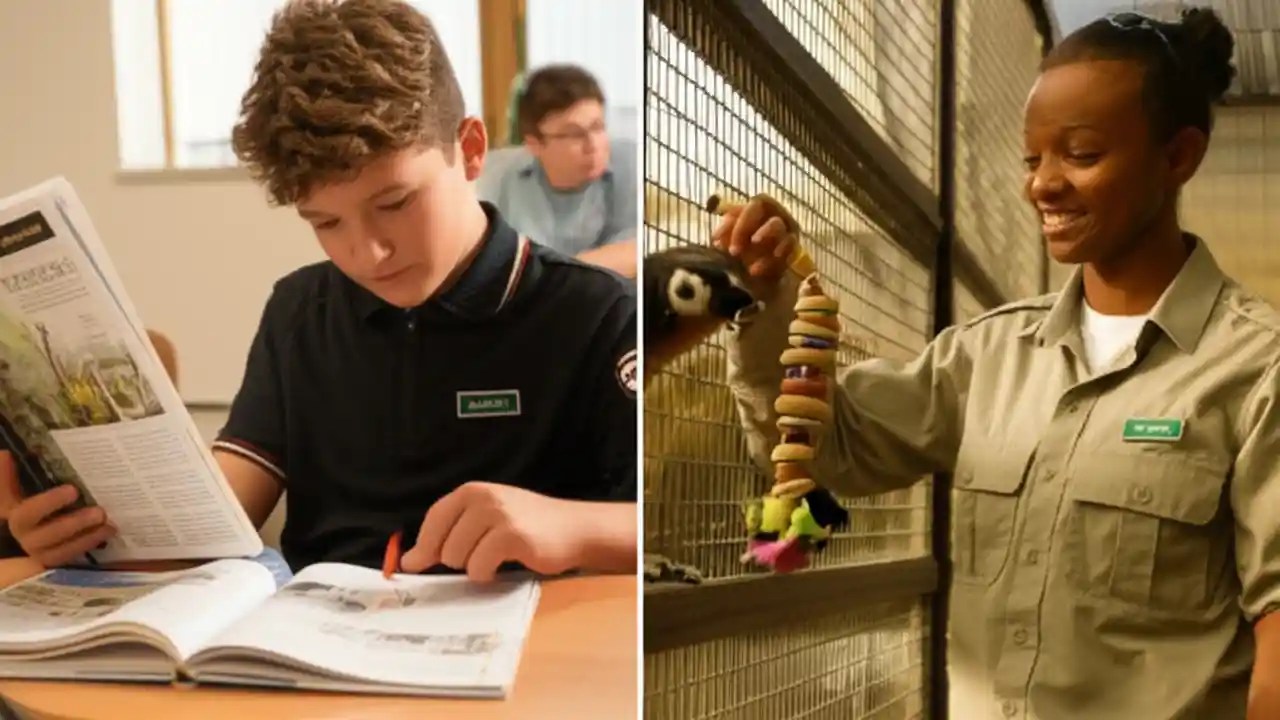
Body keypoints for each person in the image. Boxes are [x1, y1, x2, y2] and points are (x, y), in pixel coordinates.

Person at [714, 9, 1280, 719]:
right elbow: (830, 451)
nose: (1042, 185)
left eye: (1080, 153)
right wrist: (770, 300)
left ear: (1178, 157)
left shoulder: (1256, 370)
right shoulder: (986, 356)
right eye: (1032, 158)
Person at [1, 0, 637, 583]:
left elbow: (667, 526)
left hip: (528, 665)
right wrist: (84, 532)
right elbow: (223, 517)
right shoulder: (300, 311)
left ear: (469, 150)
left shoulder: (594, 313)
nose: (368, 253)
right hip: (320, 658)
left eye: (395, 203)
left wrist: (573, 526)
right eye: (324, 223)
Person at [478, 64, 638, 278]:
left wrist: (549, 278)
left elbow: (634, 250)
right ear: (533, 144)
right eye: (574, 134)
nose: (593, 145)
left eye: (598, 127)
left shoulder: (630, 161)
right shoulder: (495, 173)